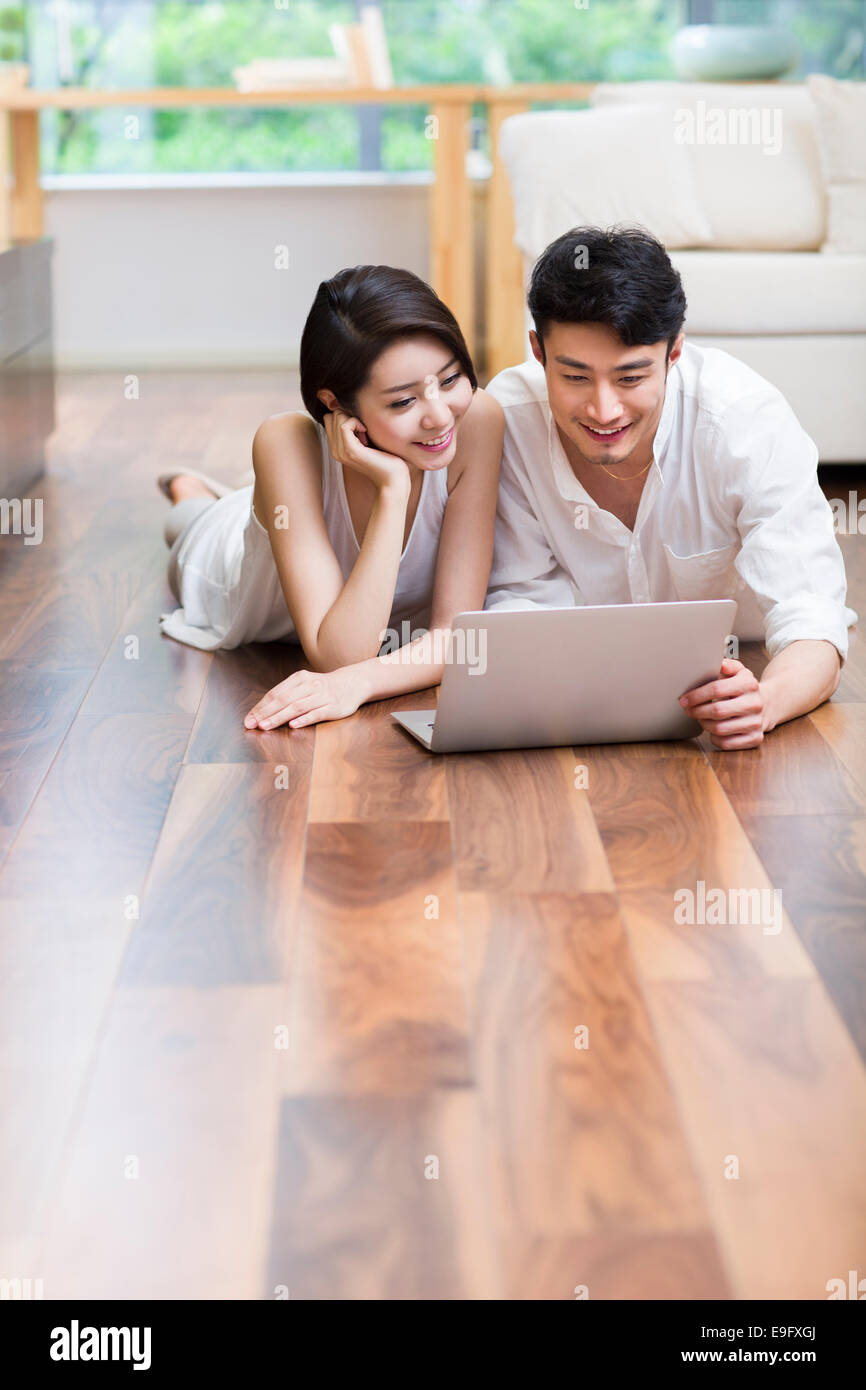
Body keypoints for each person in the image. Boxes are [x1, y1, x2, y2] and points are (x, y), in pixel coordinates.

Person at [484, 225, 857, 750]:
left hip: (741, 662)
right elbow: (517, 601)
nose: (603, 410)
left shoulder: (744, 421)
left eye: (631, 378)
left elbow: (812, 619)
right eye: (575, 378)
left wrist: (763, 704)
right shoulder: (506, 419)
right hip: (579, 687)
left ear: (675, 351)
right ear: (538, 352)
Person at [158, 264, 503, 731]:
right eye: (403, 402)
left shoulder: (477, 419)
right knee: (187, 520)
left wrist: (361, 684)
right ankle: (190, 488)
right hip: (224, 563)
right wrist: (392, 488)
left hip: (302, 515)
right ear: (337, 404)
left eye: (450, 379)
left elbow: (454, 633)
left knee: (258, 500)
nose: (440, 417)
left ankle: (241, 493)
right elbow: (339, 656)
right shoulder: (284, 440)